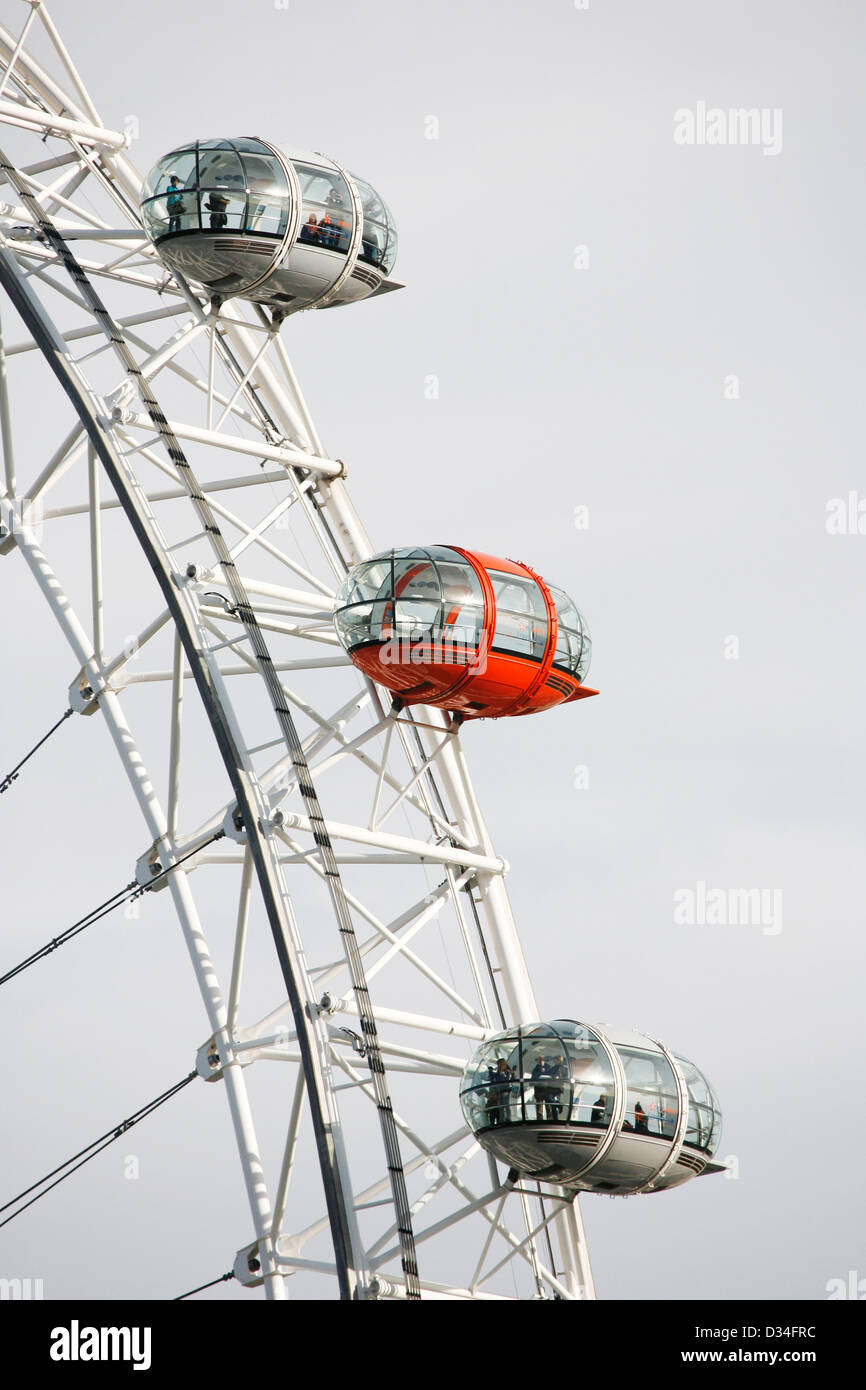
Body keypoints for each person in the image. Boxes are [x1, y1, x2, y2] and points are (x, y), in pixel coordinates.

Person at [485, 1058, 514, 1127]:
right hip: (500, 1091)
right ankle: (502, 1119)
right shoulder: (502, 1073)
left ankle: (507, 1118)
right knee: (501, 1106)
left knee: (505, 1105)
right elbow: (494, 1079)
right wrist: (490, 1071)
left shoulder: (506, 1072)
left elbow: (503, 1079)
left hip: (505, 1091)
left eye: (499, 1064)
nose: (498, 1066)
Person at [531, 1056, 552, 1121]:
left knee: (548, 1106)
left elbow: (551, 1076)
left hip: (546, 1089)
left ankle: (550, 1119)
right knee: (539, 1107)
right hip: (539, 1090)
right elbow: (534, 1078)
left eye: (542, 1060)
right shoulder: (536, 1069)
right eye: (540, 1060)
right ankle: (540, 1120)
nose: (541, 1061)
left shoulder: (548, 1067)